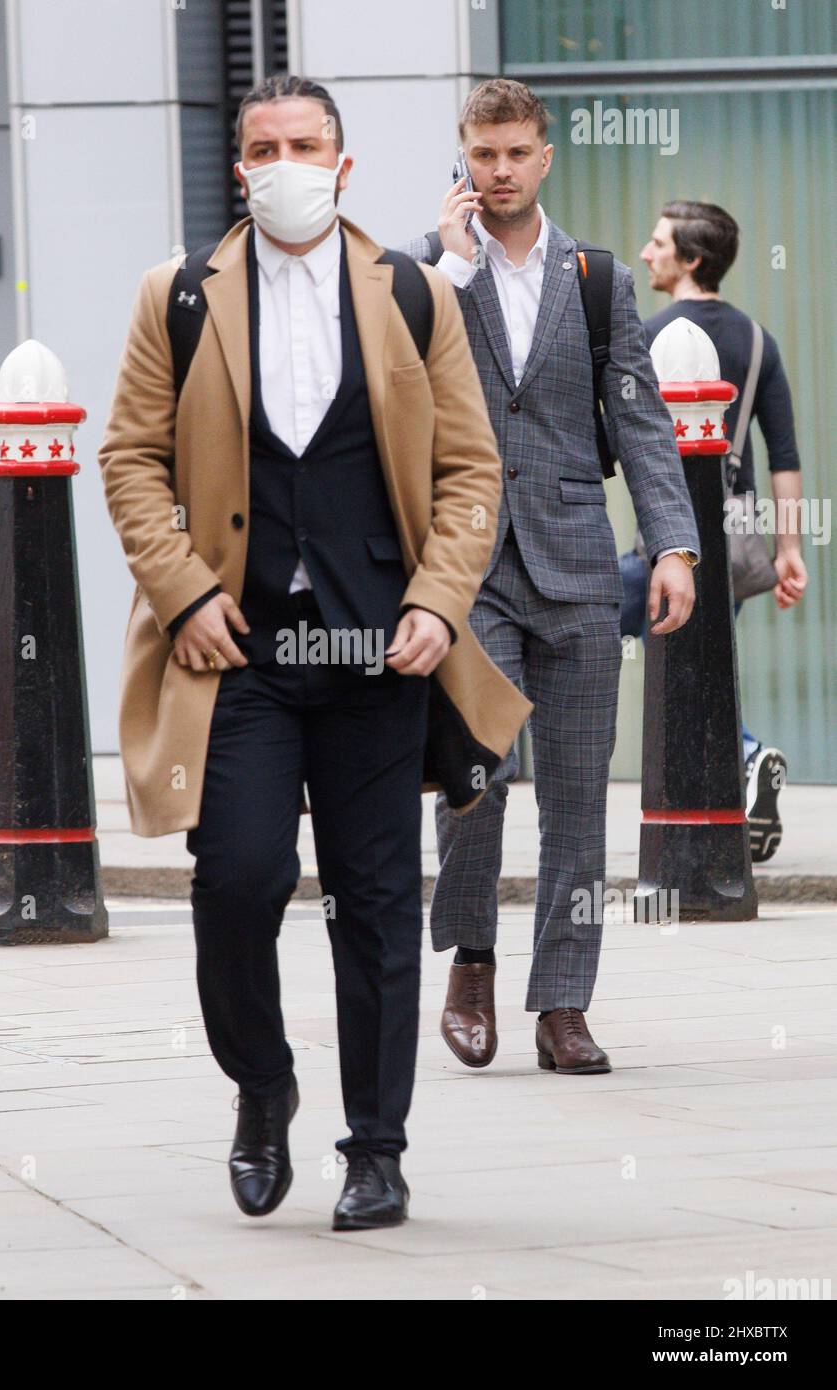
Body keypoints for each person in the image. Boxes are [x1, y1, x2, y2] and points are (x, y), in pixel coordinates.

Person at [98, 75, 529, 1231]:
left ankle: (376, 1148)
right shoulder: (177, 295)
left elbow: (470, 471)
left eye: (305, 143)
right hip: (234, 652)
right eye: (262, 146)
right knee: (235, 883)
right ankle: (263, 1081)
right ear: (239, 166)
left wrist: (441, 602)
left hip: (378, 652)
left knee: (379, 904)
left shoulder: (414, 296)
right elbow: (130, 458)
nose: (283, 161)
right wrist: (183, 589)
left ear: (343, 162)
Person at [401, 78, 699, 1076]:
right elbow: (392, 392)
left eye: (515, 153)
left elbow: (643, 423)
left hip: (574, 561)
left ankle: (564, 1002)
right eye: (482, 155)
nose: (499, 171)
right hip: (467, 567)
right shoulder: (422, 274)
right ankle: (473, 960)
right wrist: (443, 268)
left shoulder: (599, 278)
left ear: (544, 156)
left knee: (579, 797)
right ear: (462, 157)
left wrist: (672, 546)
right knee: (474, 780)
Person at [631, 201, 808, 863]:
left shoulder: (653, 335)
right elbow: (784, 456)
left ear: (690, 259)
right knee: (705, 666)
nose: (646, 253)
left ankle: (747, 754)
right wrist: (789, 551)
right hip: (737, 540)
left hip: (669, 541)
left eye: (657, 244)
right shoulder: (760, 340)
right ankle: (721, 796)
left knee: (599, 625)